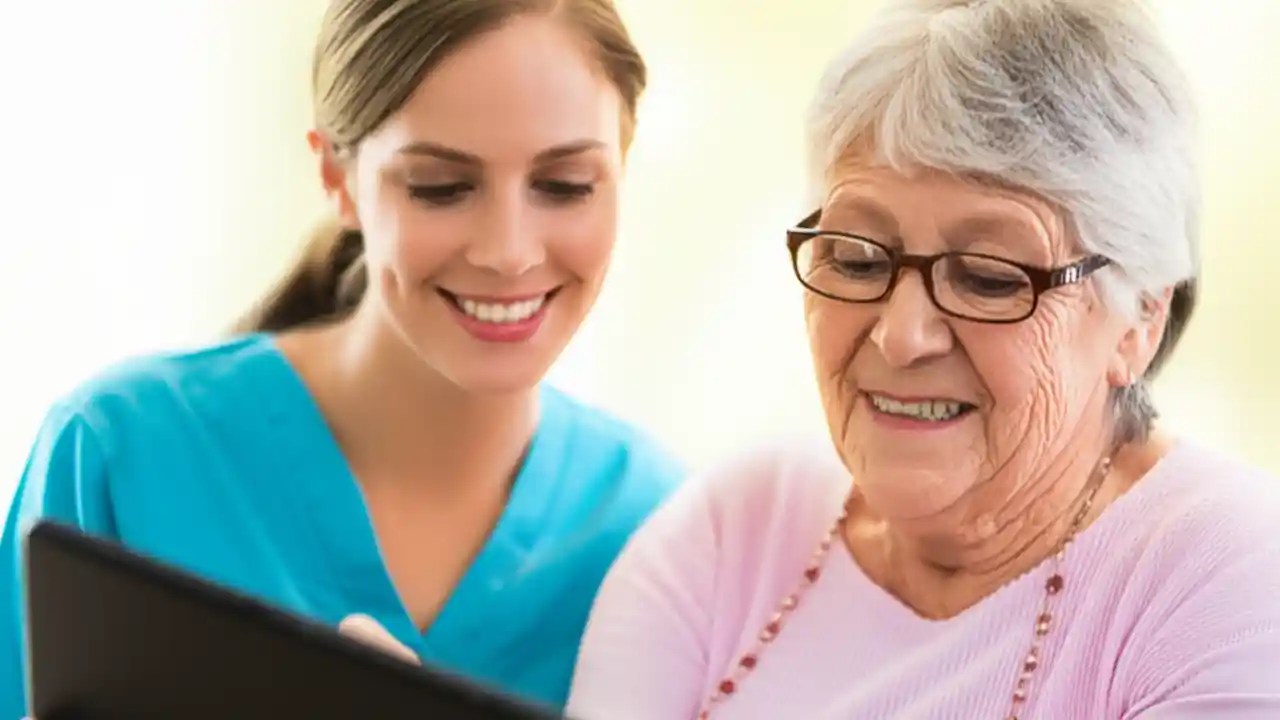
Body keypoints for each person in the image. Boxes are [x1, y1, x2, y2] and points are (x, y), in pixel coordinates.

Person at [566, 1, 1280, 718]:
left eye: (991, 277)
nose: (902, 337)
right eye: (856, 256)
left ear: (1140, 319)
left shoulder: (1232, 577)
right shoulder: (735, 533)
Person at [0, 0, 683, 716]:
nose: (508, 252)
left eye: (566, 185)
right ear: (336, 176)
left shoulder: (668, 538)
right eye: (440, 188)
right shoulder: (121, 454)